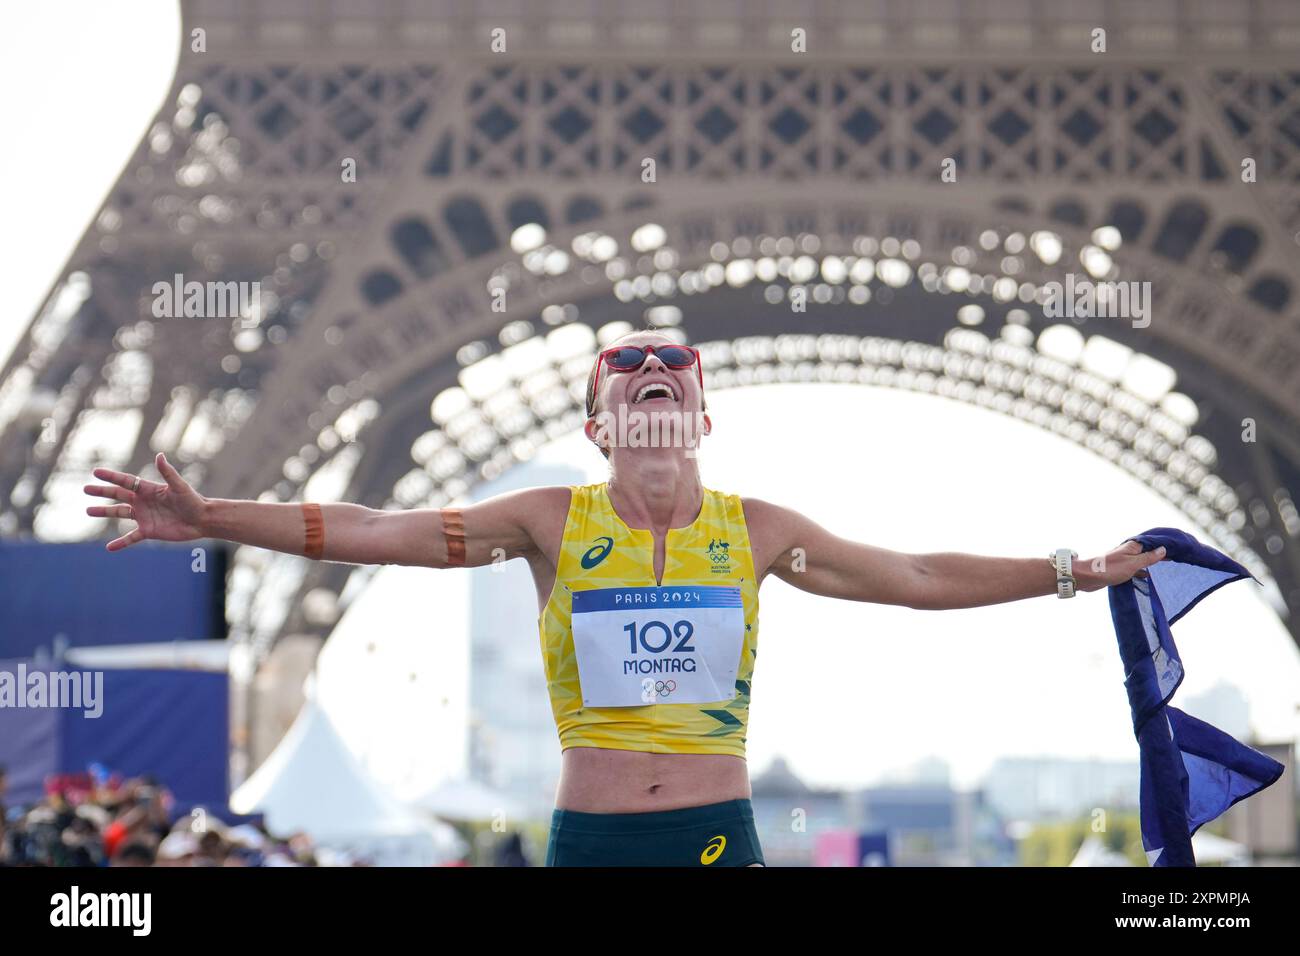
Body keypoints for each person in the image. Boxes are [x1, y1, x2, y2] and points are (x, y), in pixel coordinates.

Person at [84, 329, 1167, 867]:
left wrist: (1070, 569)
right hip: (592, 842)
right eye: (627, 370)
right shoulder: (550, 521)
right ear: (600, 425)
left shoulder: (757, 532)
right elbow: (377, 531)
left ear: (700, 418)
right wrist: (214, 513)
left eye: (673, 370)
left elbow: (917, 577)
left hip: (715, 835)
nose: (652, 368)